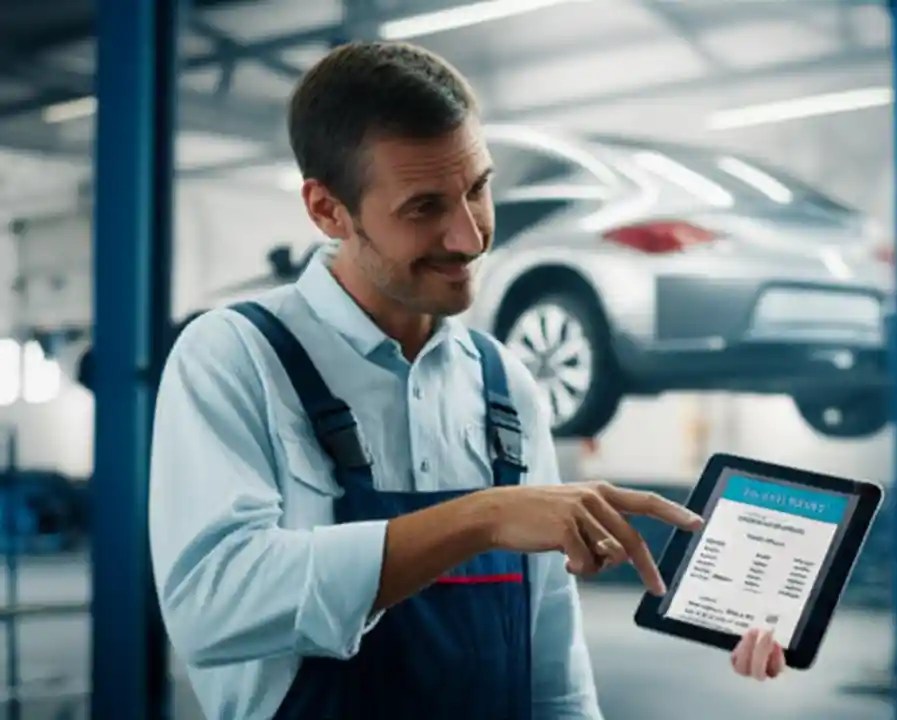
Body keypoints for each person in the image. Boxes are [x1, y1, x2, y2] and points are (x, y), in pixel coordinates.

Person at [148, 41, 710, 720]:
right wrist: (483, 518)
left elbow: (552, 664)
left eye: (477, 189)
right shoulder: (236, 357)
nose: (469, 237)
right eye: (424, 208)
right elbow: (210, 605)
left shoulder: (504, 384)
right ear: (328, 210)